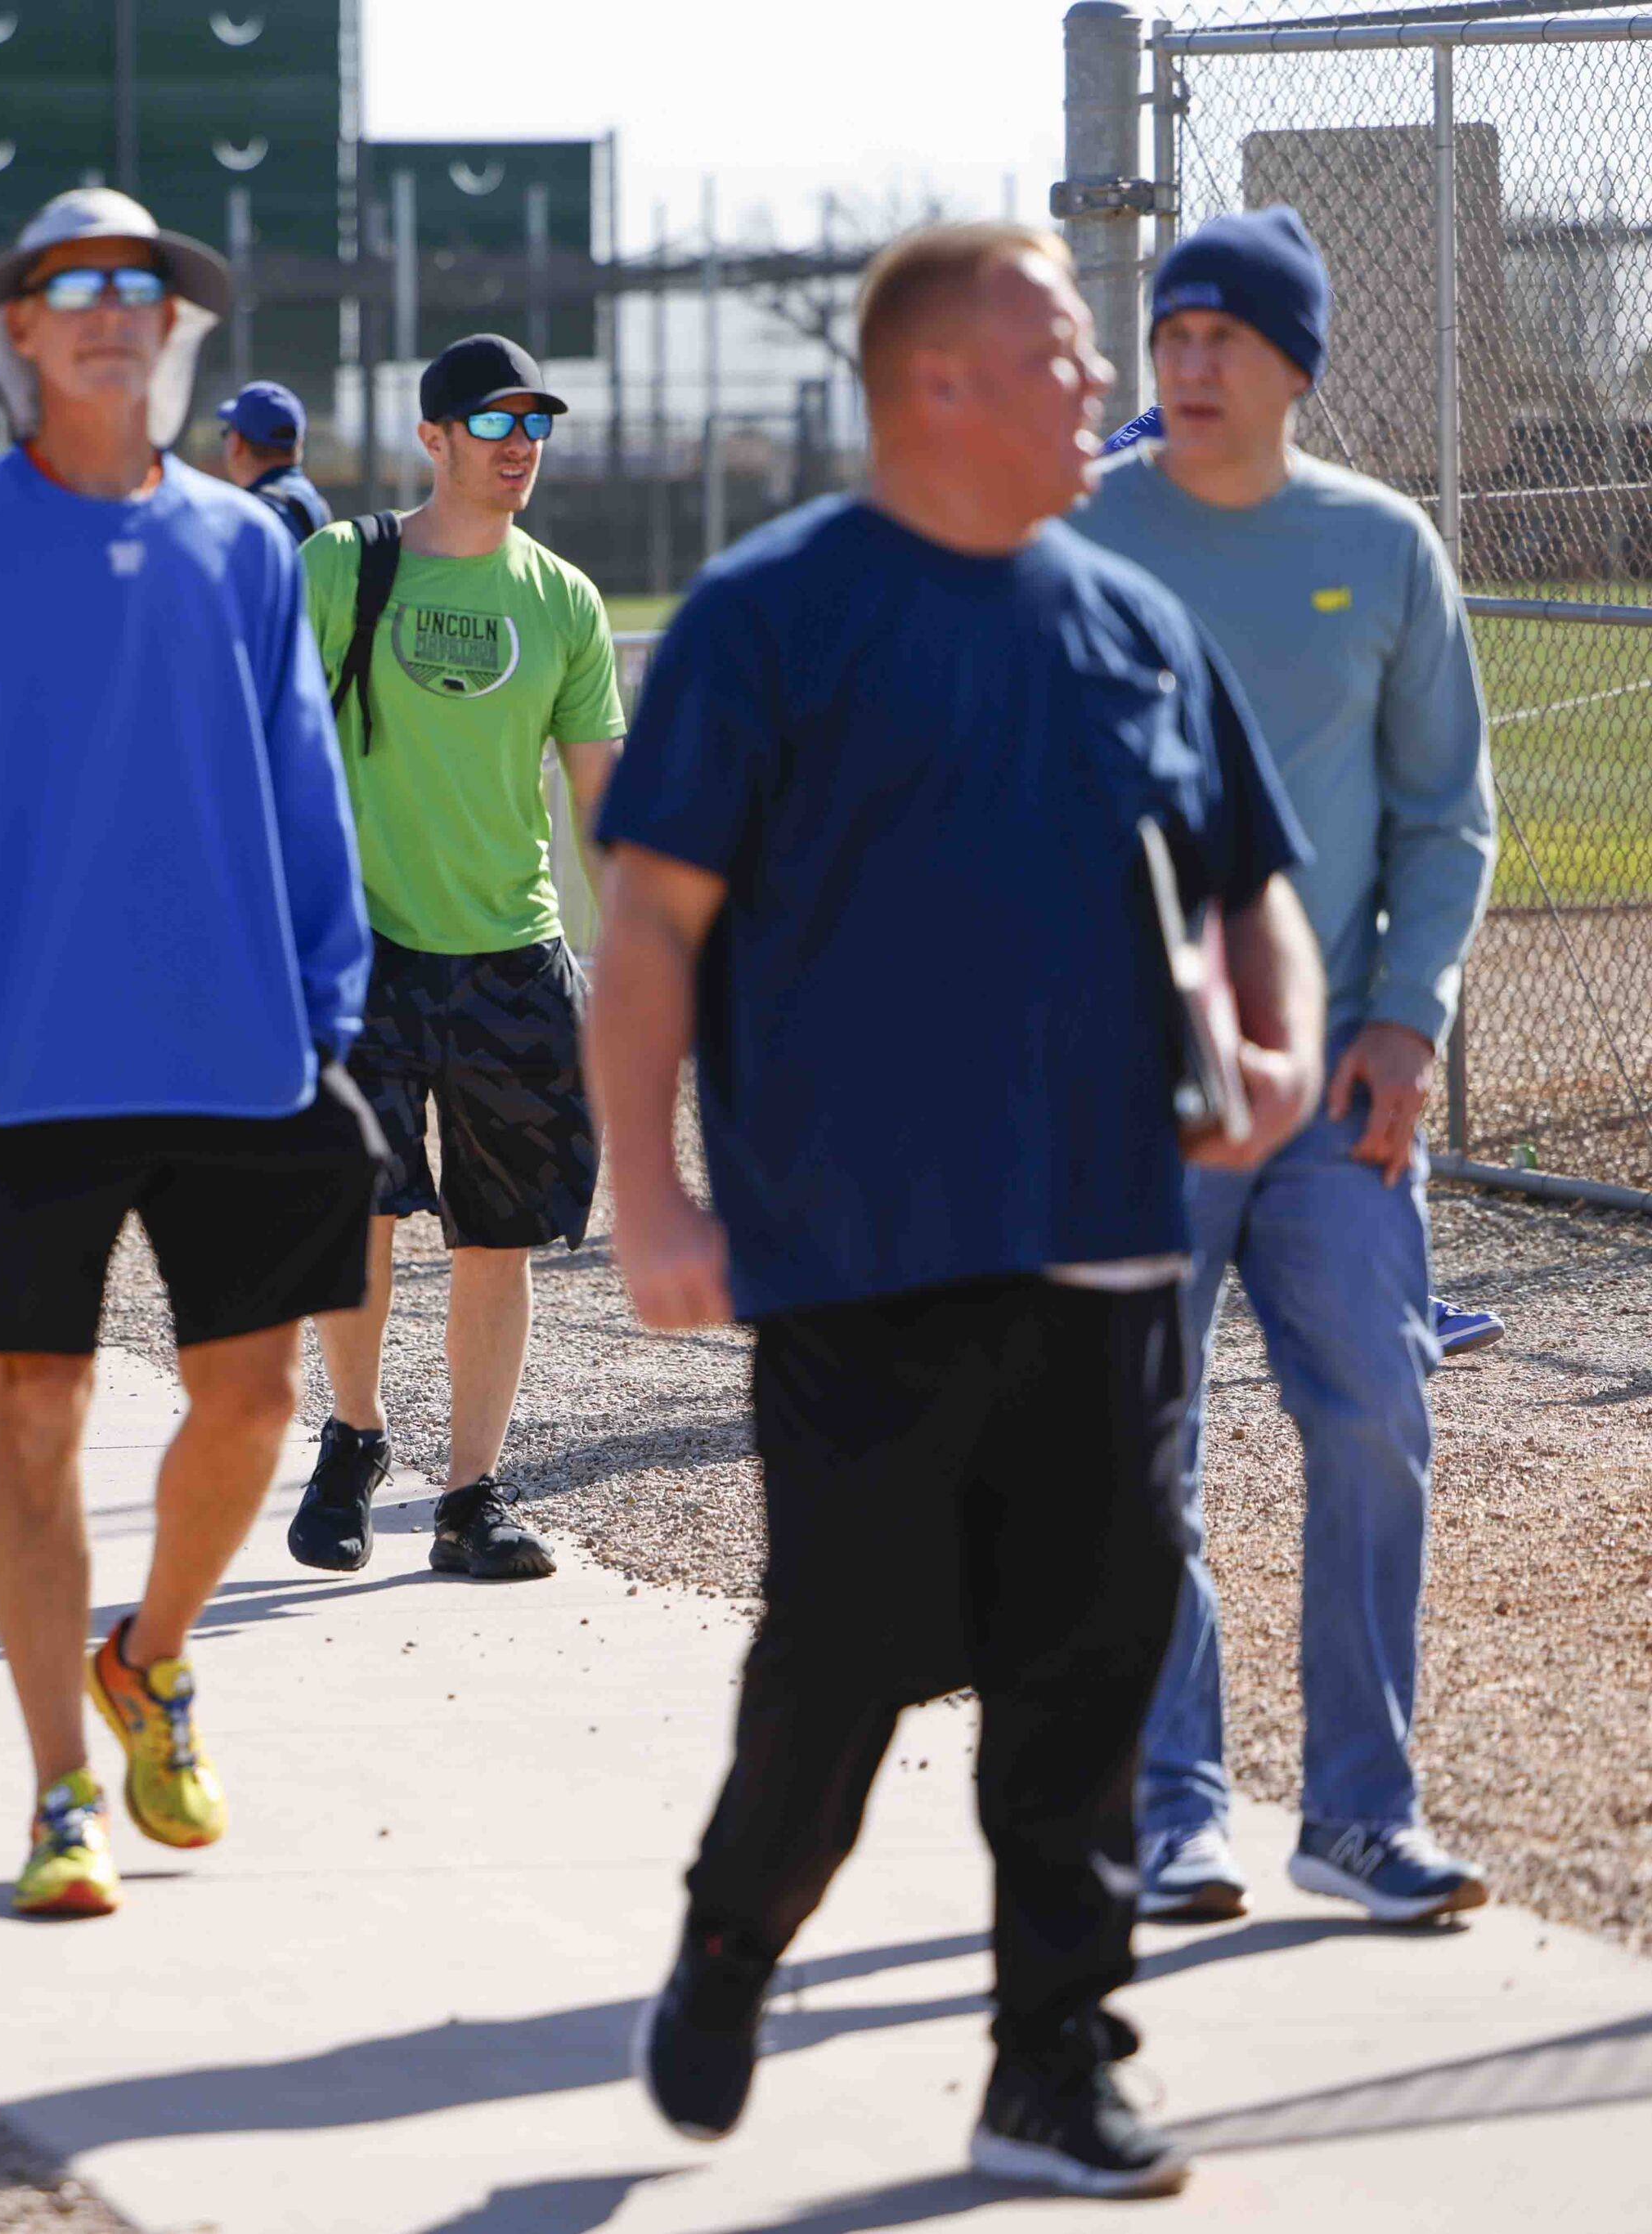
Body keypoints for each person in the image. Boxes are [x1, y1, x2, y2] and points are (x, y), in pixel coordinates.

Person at [590, 224, 1322, 2199]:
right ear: (937, 385)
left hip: (1110, 1250)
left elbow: (1255, 882)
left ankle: (1053, 2059)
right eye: (1068, 348)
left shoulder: (1133, 620)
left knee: (1088, 1678)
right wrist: (648, 1197)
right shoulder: (776, 617)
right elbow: (651, 923)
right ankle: (736, 1936)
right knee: (838, 1665)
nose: (1105, 382)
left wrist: (1279, 1039)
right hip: (861, 1257)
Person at [0, 189, 375, 1922]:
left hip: (242, 1054)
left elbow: (304, 787)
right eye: (75, 287)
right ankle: (60, 1786)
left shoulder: (240, 545)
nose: (112, 308)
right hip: (16, 1059)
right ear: (19, 330)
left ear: (171, 330)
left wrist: (332, 1004)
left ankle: (152, 1654)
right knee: (35, 1400)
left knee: (257, 1398)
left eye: (141, 285)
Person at [1072, 208, 1498, 1928]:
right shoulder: (1082, 532)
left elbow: (1442, 814)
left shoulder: (1379, 545)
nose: (1182, 361)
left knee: (1377, 1417)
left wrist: (1405, 1020)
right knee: (1134, 1448)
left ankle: (1356, 1811)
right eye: (1166, 334)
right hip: (1131, 1086)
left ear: (1292, 365)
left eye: (1218, 336)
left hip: (1332, 1090)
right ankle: (1173, 1804)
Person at [293, 336, 622, 1581]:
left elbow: (602, 801)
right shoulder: (342, 565)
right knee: (356, 1211)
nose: (519, 441)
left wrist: (639, 960)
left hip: (511, 952)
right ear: (433, 438)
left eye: (534, 420)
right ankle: (354, 1435)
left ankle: (471, 1498)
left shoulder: (563, 599)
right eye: (492, 421)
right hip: (360, 946)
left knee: (500, 1236)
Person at [215, 379, 330, 542]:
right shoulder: (317, 505)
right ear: (299, 444)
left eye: (227, 432)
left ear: (237, 443)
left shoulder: (250, 516)